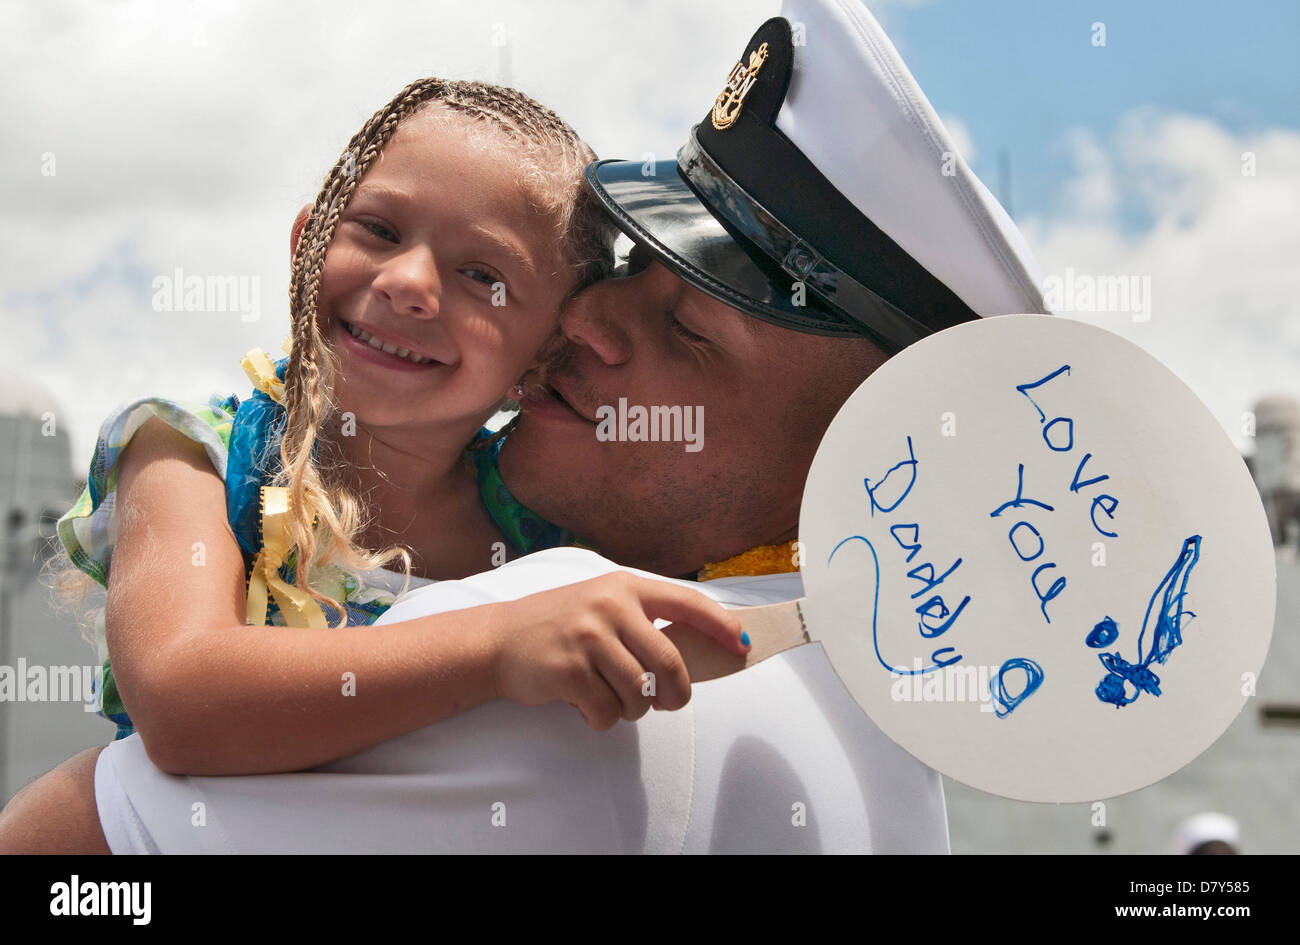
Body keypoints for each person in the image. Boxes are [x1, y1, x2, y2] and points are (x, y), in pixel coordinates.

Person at [0, 0, 1050, 853]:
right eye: (376, 230)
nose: (410, 286)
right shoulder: (202, 453)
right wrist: (494, 642)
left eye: (682, 328)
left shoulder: (579, 608)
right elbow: (180, 699)